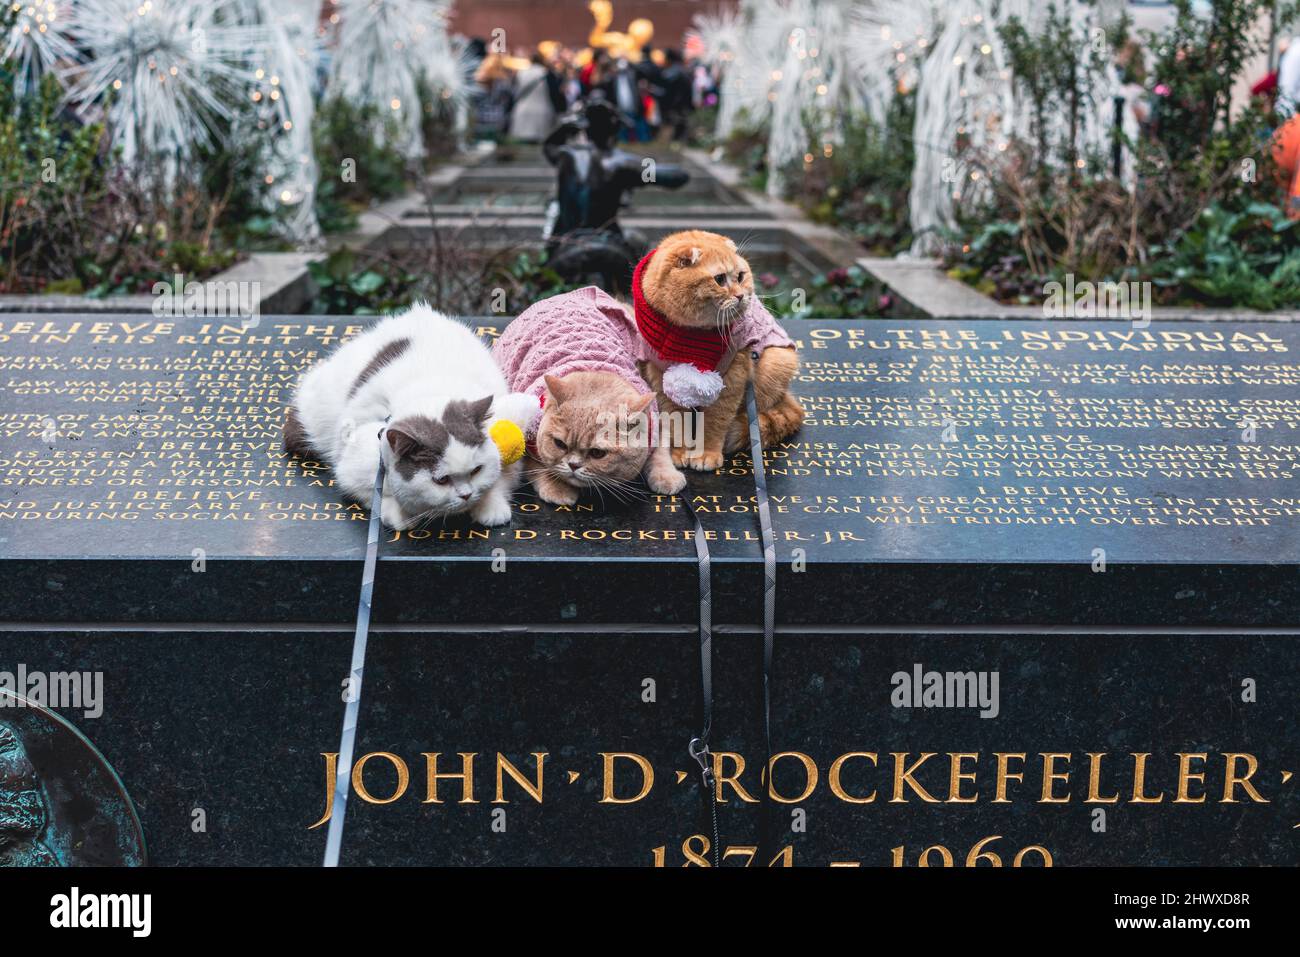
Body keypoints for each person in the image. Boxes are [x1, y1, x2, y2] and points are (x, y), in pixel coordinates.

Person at [509, 53, 560, 142]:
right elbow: (554, 94)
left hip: (522, 110)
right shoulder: (547, 74)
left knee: (522, 145)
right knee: (539, 147)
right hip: (542, 111)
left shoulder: (521, 73)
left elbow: (513, 92)